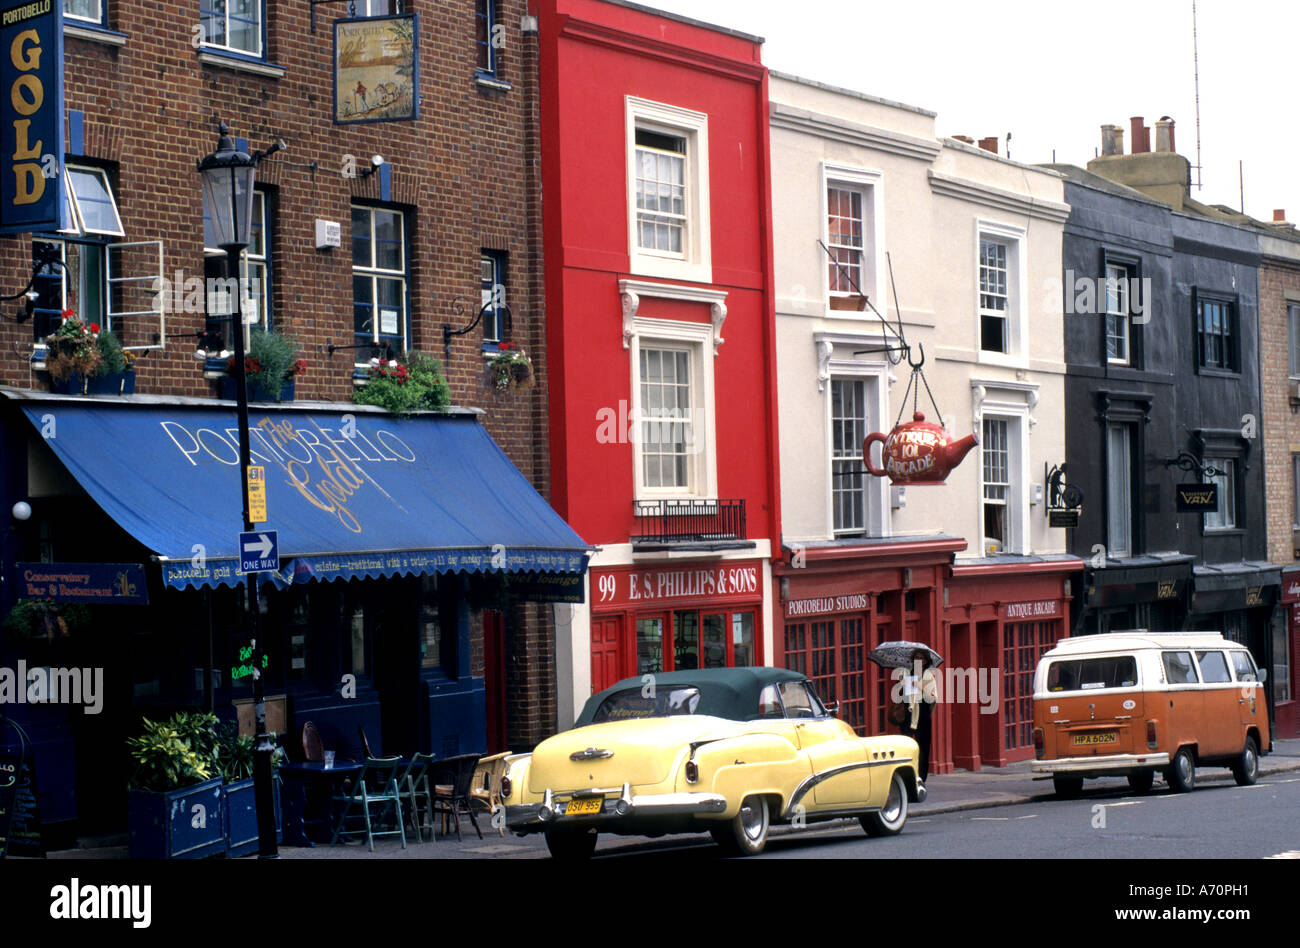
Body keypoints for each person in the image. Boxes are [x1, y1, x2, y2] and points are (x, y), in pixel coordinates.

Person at [900, 649, 937, 782]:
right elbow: (901, 696)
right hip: (908, 714)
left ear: (925, 661)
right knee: (906, 746)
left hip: (922, 714)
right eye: (916, 658)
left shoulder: (928, 676)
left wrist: (920, 686)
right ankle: (908, 776)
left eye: (921, 658)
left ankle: (921, 777)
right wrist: (901, 685)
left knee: (923, 748)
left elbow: (933, 698)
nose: (918, 660)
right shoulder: (907, 674)